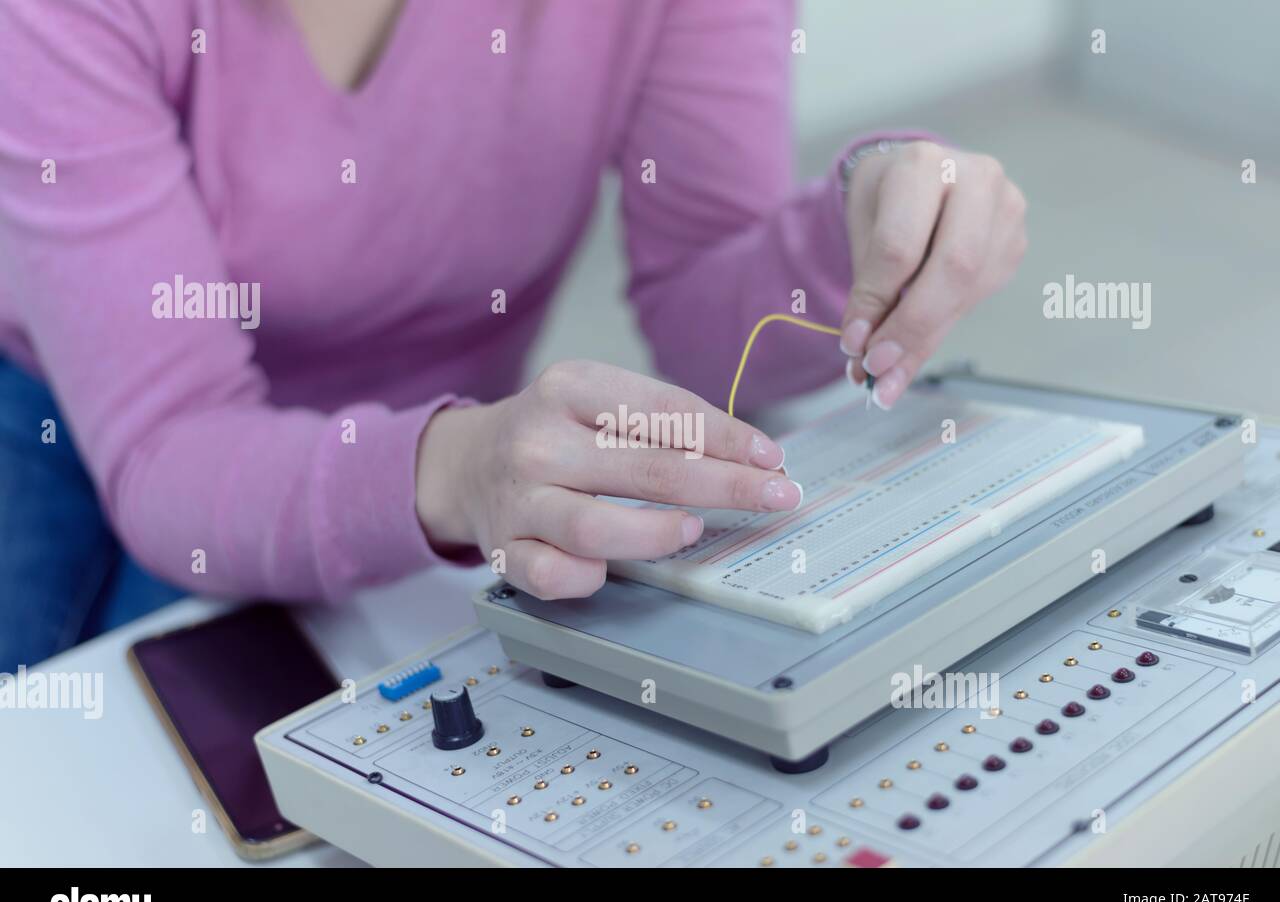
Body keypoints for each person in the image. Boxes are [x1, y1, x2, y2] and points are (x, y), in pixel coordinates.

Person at [0, 0, 1026, 670]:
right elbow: (172, 448)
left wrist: (859, 231)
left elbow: (708, 322)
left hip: (430, 454)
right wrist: (461, 469)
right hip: (67, 412)